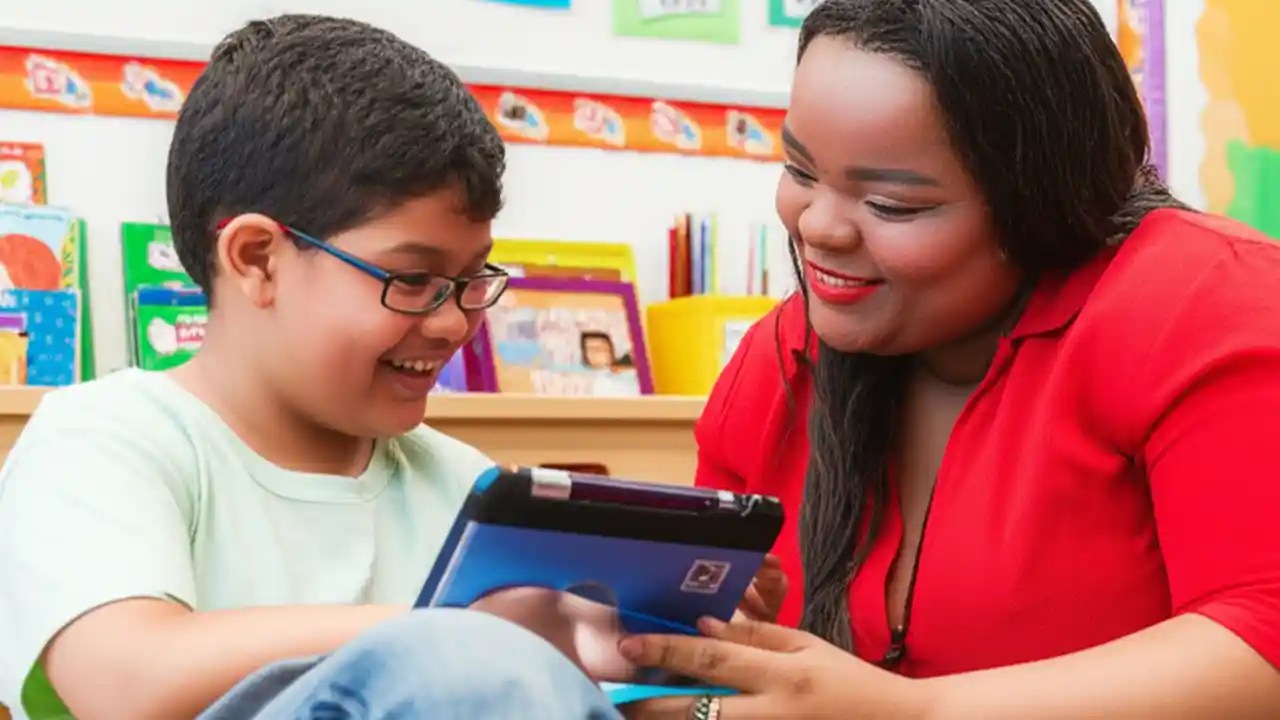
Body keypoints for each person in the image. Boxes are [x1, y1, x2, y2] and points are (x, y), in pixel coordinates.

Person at [621, 1, 1280, 718]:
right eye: (800, 171)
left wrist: (906, 712)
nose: (818, 226)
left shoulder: (1207, 303)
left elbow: (1261, 637)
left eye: (892, 204)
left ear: (1039, 198)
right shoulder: (779, 360)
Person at [0, 14, 627, 720]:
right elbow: (126, 681)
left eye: (471, 280)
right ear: (257, 260)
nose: (454, 321)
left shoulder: (462, 485)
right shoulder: (104, 440)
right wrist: (458, 629)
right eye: (413, 278)